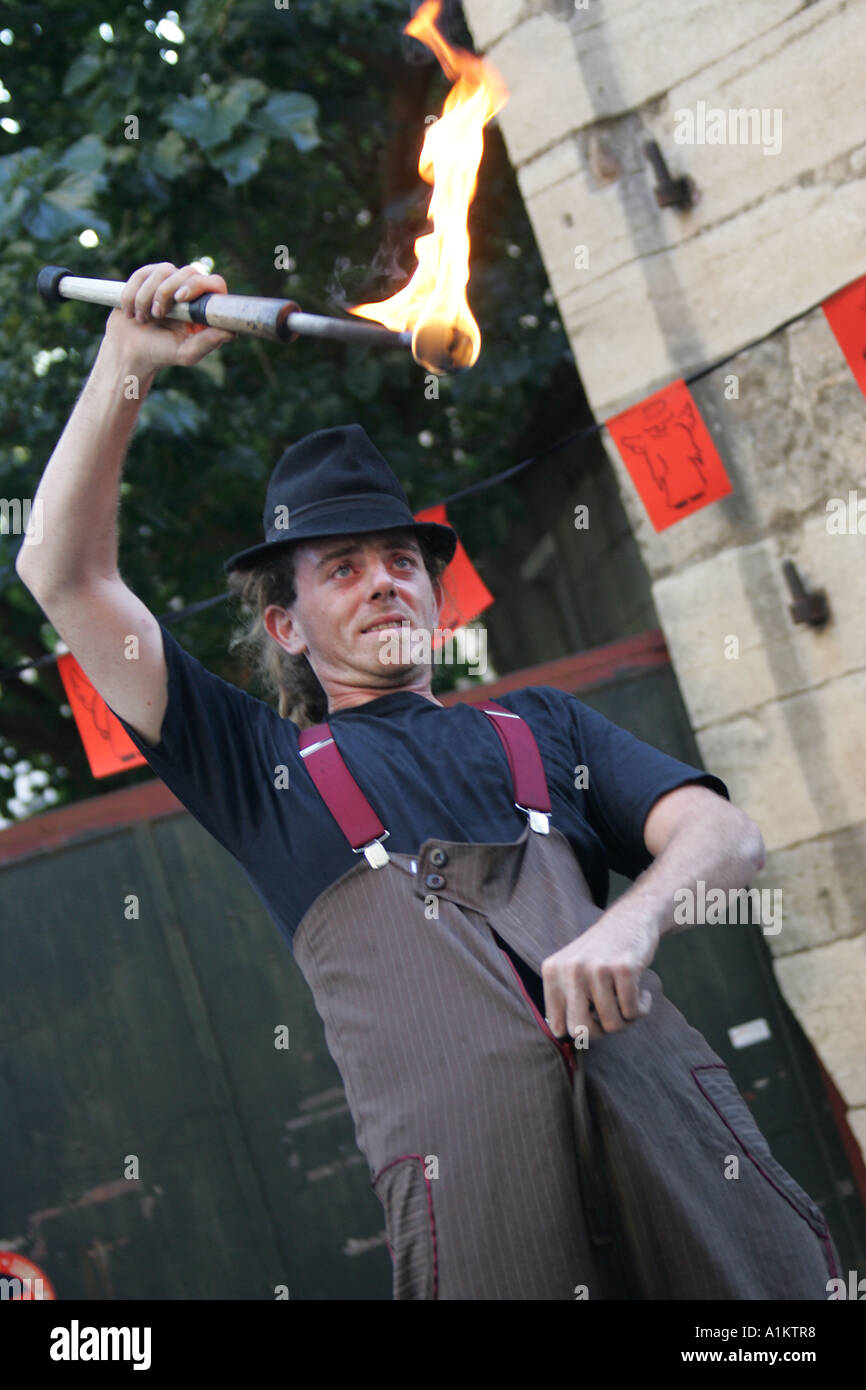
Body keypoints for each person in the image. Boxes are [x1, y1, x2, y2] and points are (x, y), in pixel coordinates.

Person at [16, 262, 842, 1301]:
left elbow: (726, 837)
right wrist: (127, 364)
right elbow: (63, 573)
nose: (384, 581)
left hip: (677, 1138)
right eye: (345, 566)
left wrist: (629, 924)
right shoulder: (258, 770)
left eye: (401, 558)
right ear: (285, 623)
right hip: (480, 1212)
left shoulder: (537, 725)